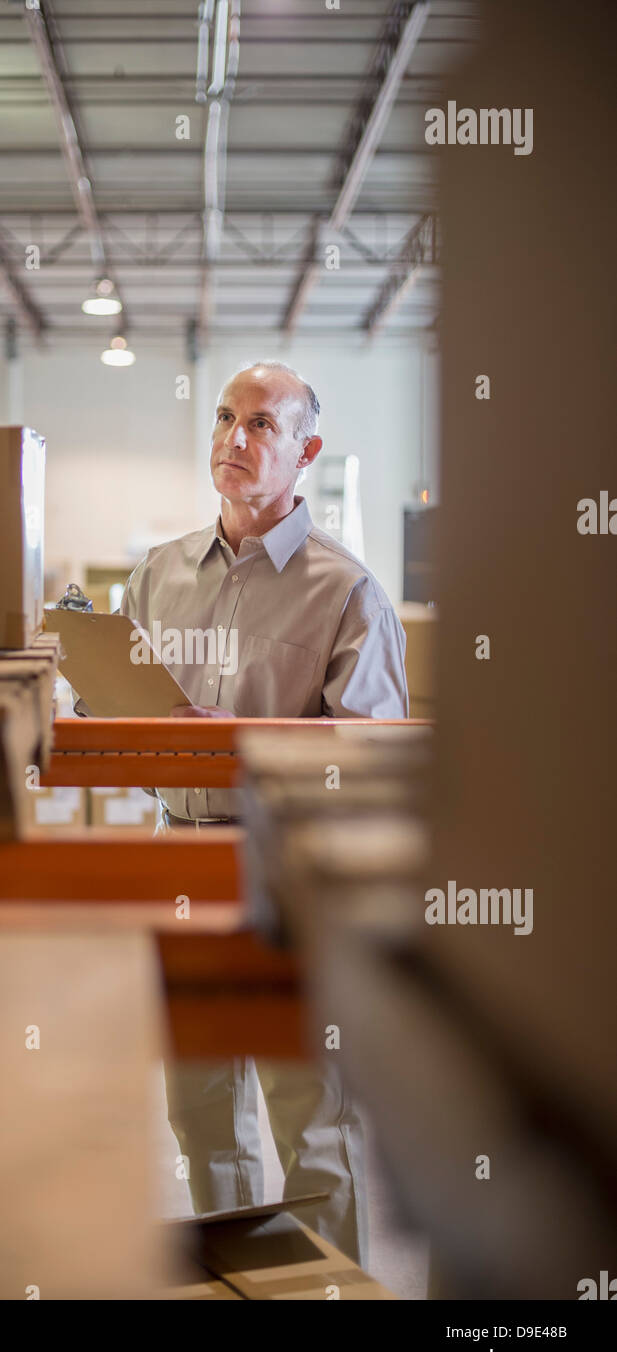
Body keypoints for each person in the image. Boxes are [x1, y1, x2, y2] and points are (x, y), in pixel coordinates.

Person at [99, 361, 408, 1265]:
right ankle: (233, 1286)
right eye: (226, 419)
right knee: (201, 1108)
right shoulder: (156, 578)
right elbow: (110, 716)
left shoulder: (346, 593)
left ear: (306, 450)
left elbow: (371, 765)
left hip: (291, 872)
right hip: (175, 860)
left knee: (311, 1118)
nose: (236, 439)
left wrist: (241, 743)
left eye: (262, 426)